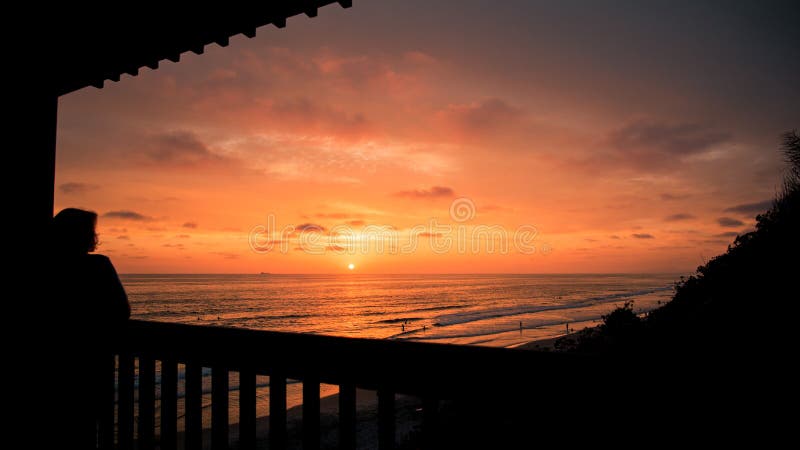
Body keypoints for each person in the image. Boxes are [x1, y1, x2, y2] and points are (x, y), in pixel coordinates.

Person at [49, 208, 130, 448]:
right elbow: (121, 311)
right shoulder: (98, 265)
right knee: (87, 429)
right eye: (91, 231)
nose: (94, 236)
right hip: (91, 362)